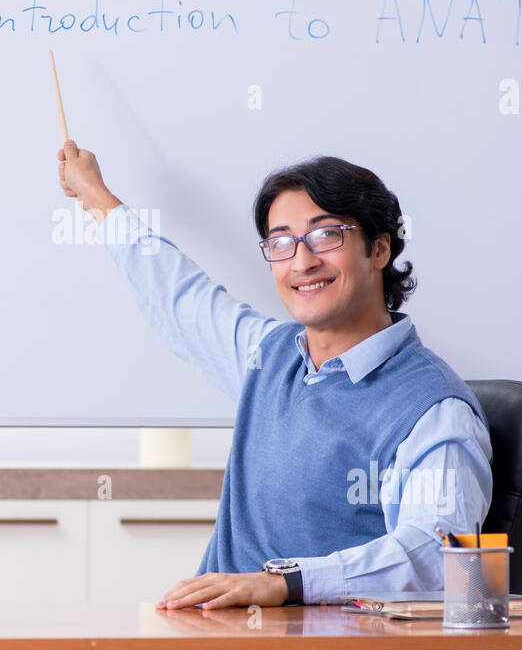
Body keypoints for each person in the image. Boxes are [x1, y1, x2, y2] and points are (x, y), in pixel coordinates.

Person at [57, 139, 493, 609]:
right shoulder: (270, 356)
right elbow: (178, 294)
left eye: (327, 235)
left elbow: (441, 556)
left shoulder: (435, 410)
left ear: (380, 248)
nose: (302, 262)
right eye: (282, 242)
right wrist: (97, 197)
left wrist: (287, 581)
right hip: (211, 637)